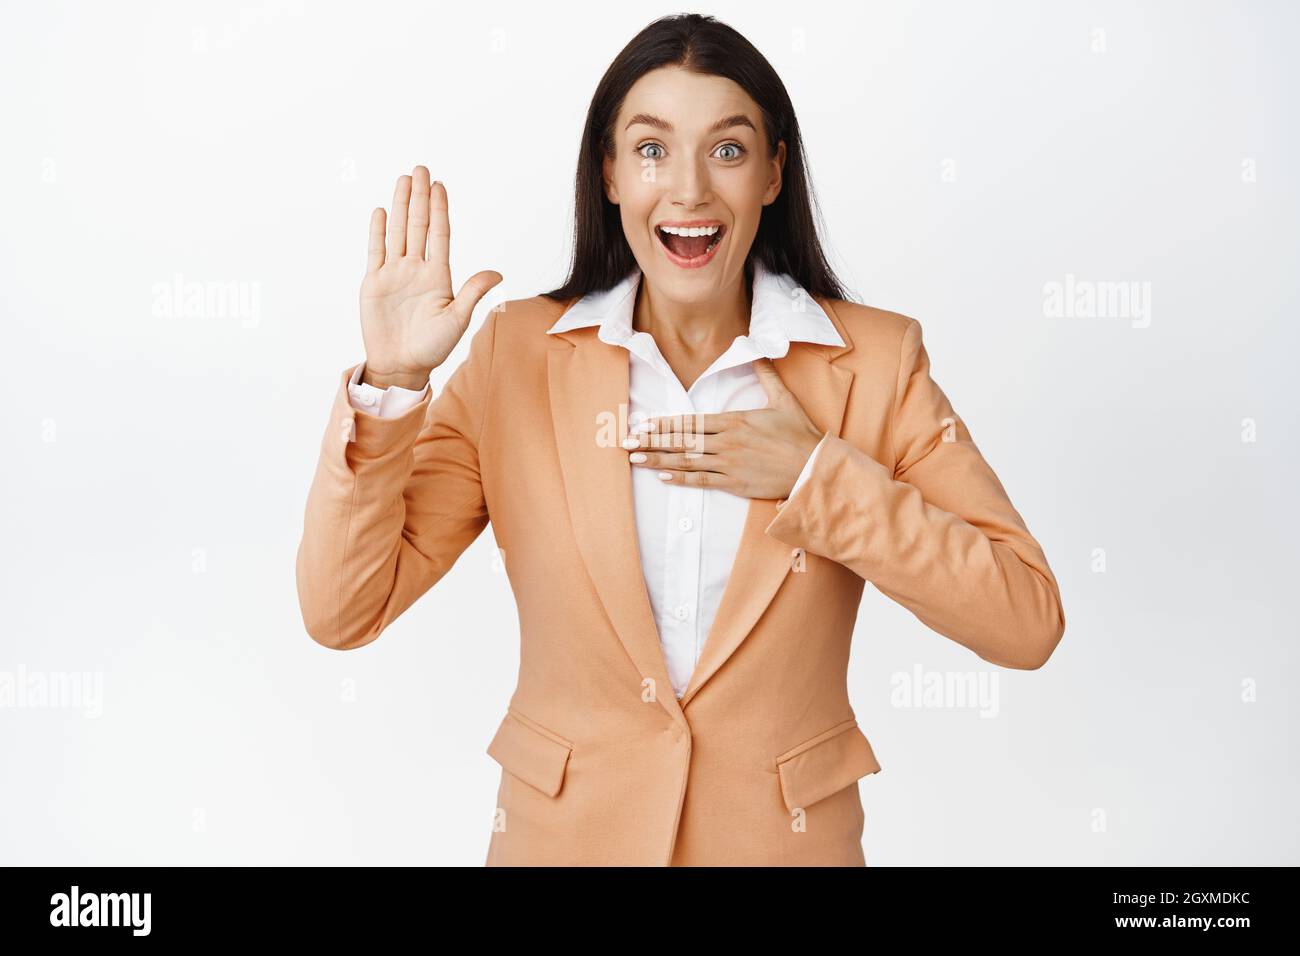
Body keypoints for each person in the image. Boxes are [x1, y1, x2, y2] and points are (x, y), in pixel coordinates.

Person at [295, 13, 1065, 866]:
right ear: (611, 173)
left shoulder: (875, 367)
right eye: (653, 149)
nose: (690, 189)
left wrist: (819, 478)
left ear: (773, 172)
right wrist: (393, 384)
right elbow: (343, 611)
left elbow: (1023, 621)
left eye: (728, 150)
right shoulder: (516, 357)